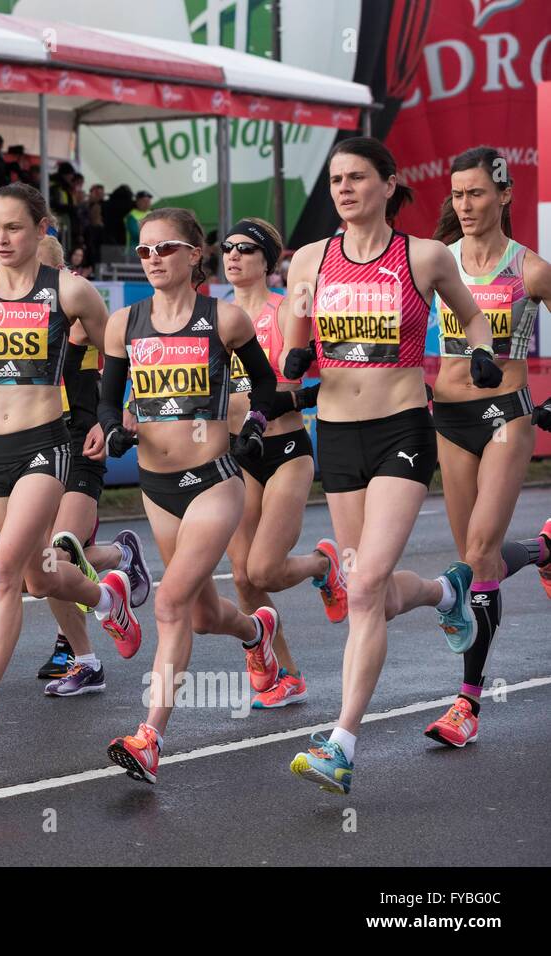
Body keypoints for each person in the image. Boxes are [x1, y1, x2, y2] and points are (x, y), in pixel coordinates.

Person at [279, 137, 501, 795]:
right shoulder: (310, 260)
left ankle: (341, 741)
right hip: (338, 436)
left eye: (356, 177)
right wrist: (292, 364)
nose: (343, 189)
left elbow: (475, 317)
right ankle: (443, 592)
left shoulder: (424, 257)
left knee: (368, 579)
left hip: (402, 429)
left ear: (387, 183)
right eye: (335, 179)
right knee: (363, 592)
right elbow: (295, 338)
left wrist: (481, 354)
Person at [0, 183, 139, 748]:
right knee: (37, 576)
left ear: (41, 228)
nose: (1, 239)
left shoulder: (70, 291)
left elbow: (114, 354)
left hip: (45, 444)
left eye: (13, 228)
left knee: (2, 574)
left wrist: (110, 414)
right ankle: (108, 596)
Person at [94, 208, 282, 784]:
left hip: (214, 482)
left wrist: (252, 427)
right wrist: (115, 428)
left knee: (172, 602)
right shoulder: (124, 323)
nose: (154, 259)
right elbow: (107, 400)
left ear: (195, 254)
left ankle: (150, 736)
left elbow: (268, 388)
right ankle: (257, 632)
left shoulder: (224, 321)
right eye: (146, 250)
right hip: (156, 487)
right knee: (200, 616)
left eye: (167, 248)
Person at [422, 146, 551, 747]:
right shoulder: (437, 261)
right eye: (457, 194)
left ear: (503, 196)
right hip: (449, 417)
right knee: (482, 563)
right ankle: (545, 550)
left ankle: (467, 702)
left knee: (476, 557)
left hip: (506, 414)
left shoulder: (531, 269)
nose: (465, 205)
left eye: (476, 193)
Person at [220, 217, 348, 709]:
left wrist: (292, 399)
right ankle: (286, 674)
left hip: (286, 449)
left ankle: (322, 564)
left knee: (268, 570)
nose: (233, 256)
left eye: (246, 249)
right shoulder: (215, 316)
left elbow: (322, 376)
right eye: (227, 248)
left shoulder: (284, 312)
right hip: (236, 454)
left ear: (268, 262)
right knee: (244, 576)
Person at [32, 234, 151, 696]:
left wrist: (131, 408)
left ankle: (107, 593)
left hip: (82, 439)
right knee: (39, 564)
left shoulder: (77, 309)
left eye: (40, 273)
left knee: (59, 552)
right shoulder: (8, 310)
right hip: (36, 442)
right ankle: (119, 560)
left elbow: (129, 358)